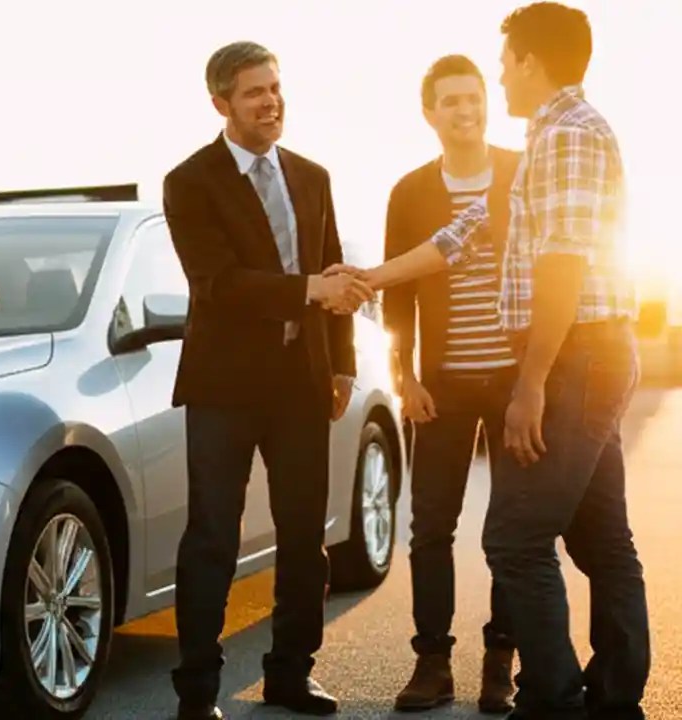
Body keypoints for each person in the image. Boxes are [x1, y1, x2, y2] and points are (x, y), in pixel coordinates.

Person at [333, 4, 649, 718]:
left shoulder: (566, 136)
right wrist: (367, 282)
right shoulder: (548, 139)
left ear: (533, 62)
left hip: (576, 358)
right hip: (572, 358)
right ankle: (612, 693)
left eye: (503, 64)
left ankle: (551, 695)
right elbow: (458, 236)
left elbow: (564, 265)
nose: (499, 78)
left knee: (515, 535)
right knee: (601, 534)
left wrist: (532, 381)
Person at [161, 40, 374, 720]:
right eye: (254, 91)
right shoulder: (189, 182)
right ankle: (198, 694)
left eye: (275, 87)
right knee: (213, 537)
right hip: (223, 387)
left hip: (301, 383)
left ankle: (290, 674)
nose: (270, 100)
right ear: (221, 103)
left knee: (305, 532)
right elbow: (218, 285)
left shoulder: (312, 177)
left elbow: (334, 272)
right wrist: (309, 289)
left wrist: (341, 362)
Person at [383, 54, 520, 715]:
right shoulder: (410, 191)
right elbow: (397, 294)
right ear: (429, 113)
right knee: (431, 525)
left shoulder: (522, 172)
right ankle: (432, 664)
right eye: (452, 102)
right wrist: (404, 377)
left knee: (514, 527)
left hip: (516, 382)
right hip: (441, 384)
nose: (467, 110)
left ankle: (502, 663)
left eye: (475, 97)